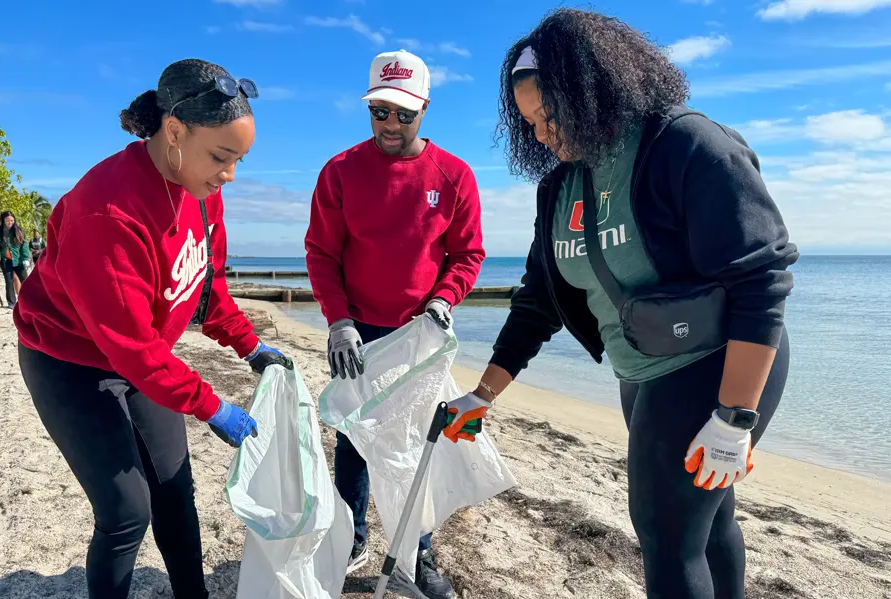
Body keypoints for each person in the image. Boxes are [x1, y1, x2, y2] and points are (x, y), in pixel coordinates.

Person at [444, 9, 798, 599]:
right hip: (640, 372)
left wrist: (736, 415)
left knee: (665, 535)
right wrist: (482, 395)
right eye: (528, 121)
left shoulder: (684, 145)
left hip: (719, 361)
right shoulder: (559, 185)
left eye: (549, 115)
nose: (539, 134)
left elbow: (762, 279)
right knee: (706, 526)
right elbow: (538, 302)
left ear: (594, 91)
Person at [13, 58, 292, 599]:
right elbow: (132, 346)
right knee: (126, 511)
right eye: (221, 156)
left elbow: (205, 287)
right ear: (173, 132)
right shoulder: (107, 211)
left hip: (143, 357)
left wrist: (249, 344)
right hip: (70, 359)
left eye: (239, 160)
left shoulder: (202, 189)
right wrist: (211, 405)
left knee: (173, 489)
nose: (229, 174)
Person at [305, 49, 485, 599]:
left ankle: (417, 552)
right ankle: (352, 539)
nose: (390, 124)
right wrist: (338, 322)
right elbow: (320, 253)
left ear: (424, 109)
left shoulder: (453, 176)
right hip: (357, 335)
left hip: (420, 339)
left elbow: (468, 255)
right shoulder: (339, 172)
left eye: (403, 114)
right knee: (356, 441)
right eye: (380, 111)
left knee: (416, 447)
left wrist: (444, 301)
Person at [0, 211, 31, 308]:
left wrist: (26, 258)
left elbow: (24, 244)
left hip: (19, 260)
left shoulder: (19, 230)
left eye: (12, 220)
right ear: (3, 220)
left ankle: (28, 301)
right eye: (7, 220)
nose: (10, 222)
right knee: (8, 281)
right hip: (5, 261)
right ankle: (11, 303)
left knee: (25, 281)